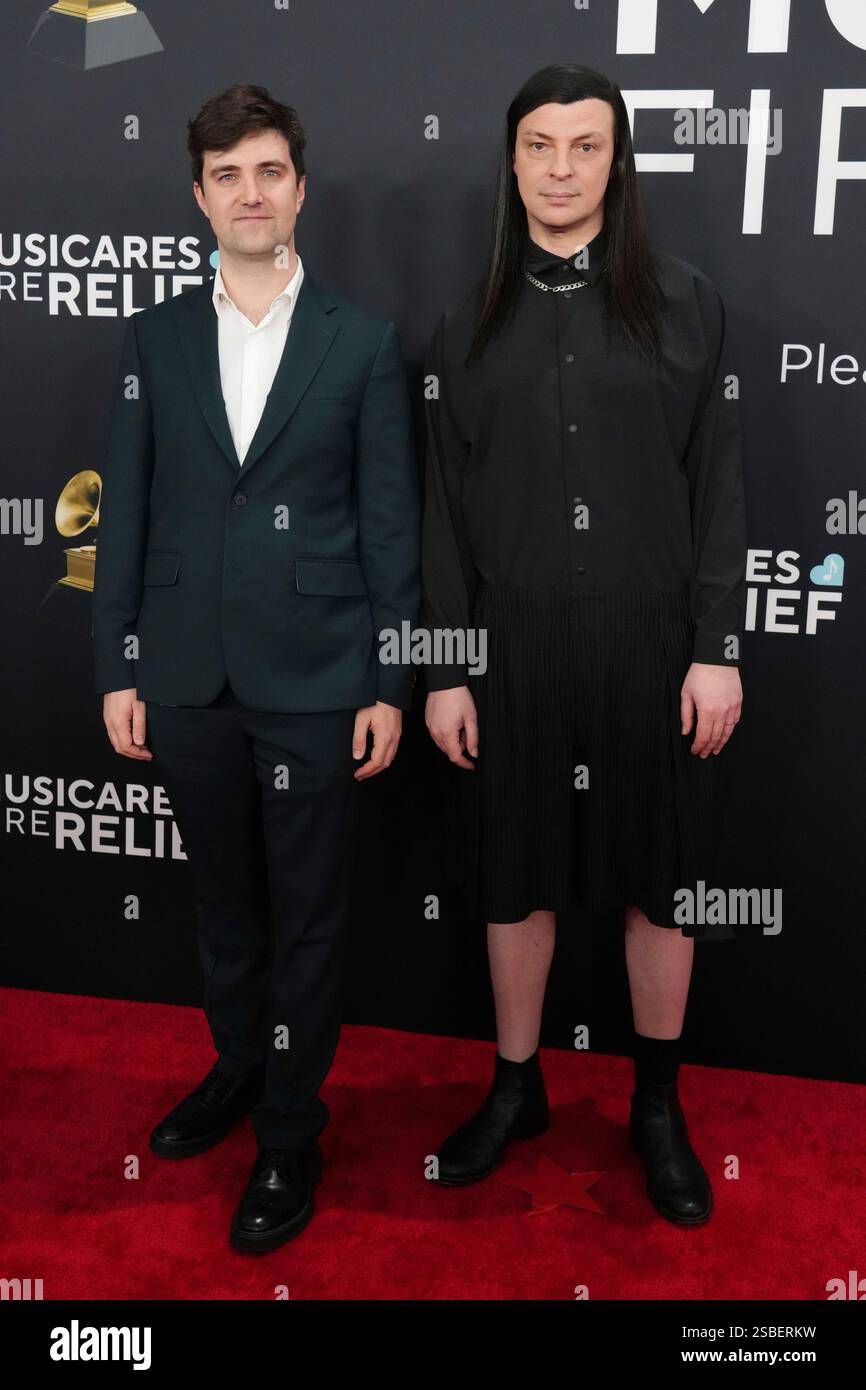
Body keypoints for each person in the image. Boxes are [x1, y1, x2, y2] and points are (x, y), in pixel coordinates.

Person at [92, 84, 420, 1252]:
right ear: (198, 195)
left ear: (298, 188)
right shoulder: (154, 338)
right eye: (226, 174)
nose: (249, 192)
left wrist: (389, 680)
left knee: (309, 916)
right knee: (224, 903)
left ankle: (289, 1128)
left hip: (320, 679)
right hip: (185, 674)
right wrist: (117, 663)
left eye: (267, 171)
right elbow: (126, 513)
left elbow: (391, 529)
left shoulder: (362, 342)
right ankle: (238, 1065)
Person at [421, 65, 746, 1225]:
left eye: (584, 145)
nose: (559, 168)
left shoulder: (688, 306)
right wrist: (447, 666)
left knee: (659, 886)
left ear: (617, 161)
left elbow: (718, 486)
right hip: (508, 649)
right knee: (512, 881)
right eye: (538, 146)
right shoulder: (462, 326)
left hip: (651, 649)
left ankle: (655, 1104)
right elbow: (440, 514)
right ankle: (516, 1088)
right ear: (510, 161)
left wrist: (716, 645)